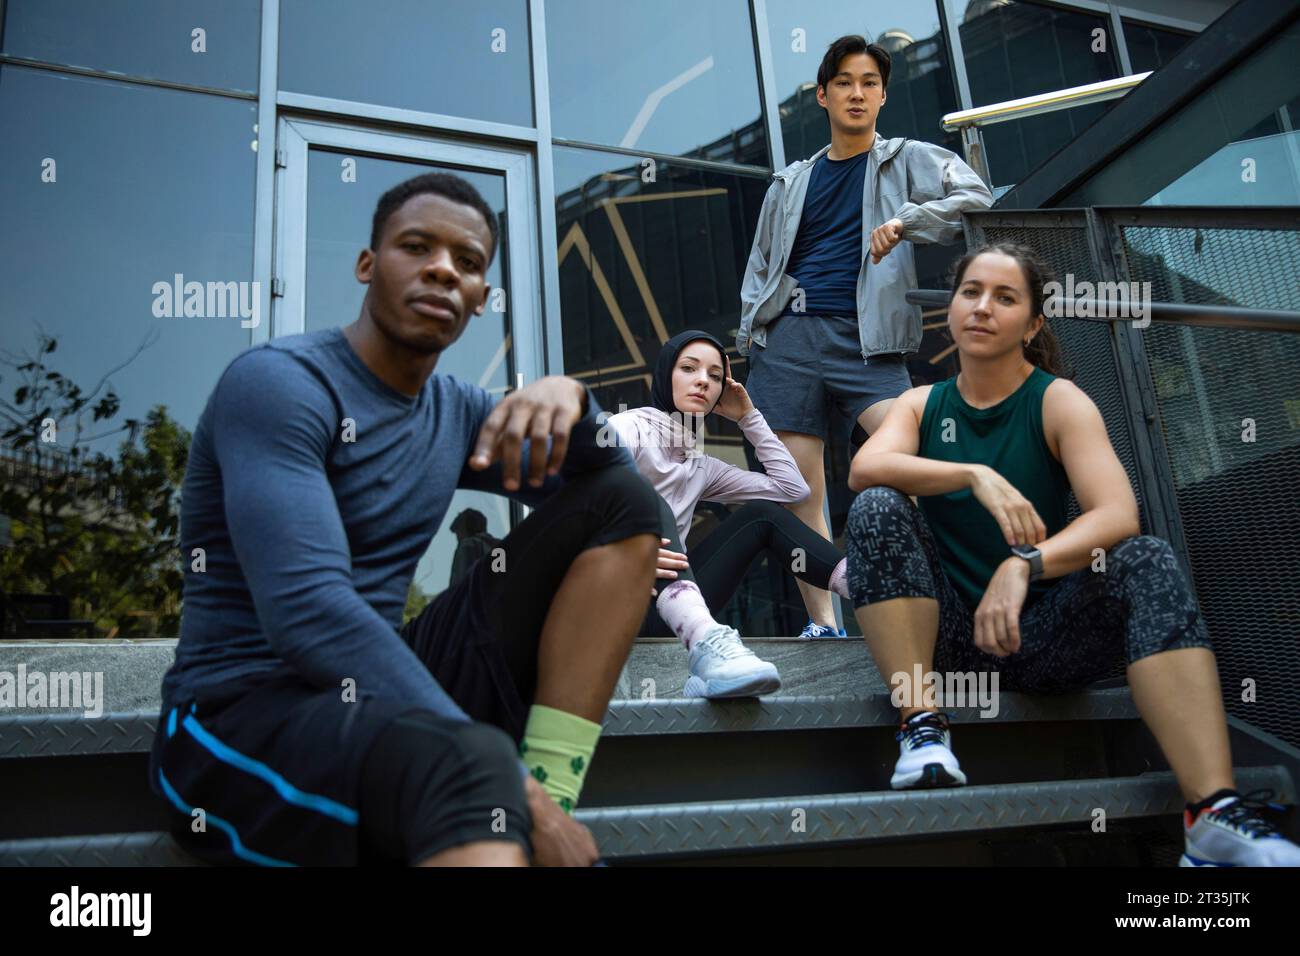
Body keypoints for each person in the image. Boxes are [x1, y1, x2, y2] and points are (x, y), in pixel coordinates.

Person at [149, 172, 664, 867]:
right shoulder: (280, 384)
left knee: (620, 508)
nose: (443, 270)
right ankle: (521, 801)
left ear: (482, 297)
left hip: (379, 700)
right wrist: (515, 796)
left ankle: (547, 787)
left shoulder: (455, 412)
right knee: (473, 768)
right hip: (236, 721)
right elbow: (310, 613)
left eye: (469, 263)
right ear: (367, 265)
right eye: (416, 246)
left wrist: (576, 399)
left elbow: (623, 497)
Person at [843, 241, 1300, 866]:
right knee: (877, 506)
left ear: (1032, 324)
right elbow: (866, 468)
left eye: (1005, 298)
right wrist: (972, 472)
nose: (982, 308)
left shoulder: (1057, 400)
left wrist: (1024, 563)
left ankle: (1211, 815)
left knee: (1145, 558)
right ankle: (922, 728)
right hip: (946, 646)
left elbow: (1117, 514)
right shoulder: (921, 405)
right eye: (970, 292)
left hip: (1039, 637)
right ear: (950, 308)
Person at [737, 34, 994, 639]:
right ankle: (825, 624)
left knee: (917, 459)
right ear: (823, 96)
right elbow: (759, 267)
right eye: (845, 83)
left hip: (868, 342)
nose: (857, 93)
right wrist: (752, 336)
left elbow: (976, 197)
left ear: (882, 96)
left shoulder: (904, 158)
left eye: (870, 83)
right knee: (798, 489)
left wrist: (907, 223)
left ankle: (964, 597)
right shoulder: (790, 181)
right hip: (790, 340)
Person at [604, 331, 855, 698]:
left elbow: (793, 490)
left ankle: (872, 589)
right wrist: (621, 548)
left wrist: (749, 417)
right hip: (608, 600)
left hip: (668, 606)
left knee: (761, 516)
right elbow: (577, 493)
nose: (703, 380)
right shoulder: (629, 428)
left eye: (715, 376)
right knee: (650, 507)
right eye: (689, 368)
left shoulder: (699, 466)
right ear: (664, 376)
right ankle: (706, 655)